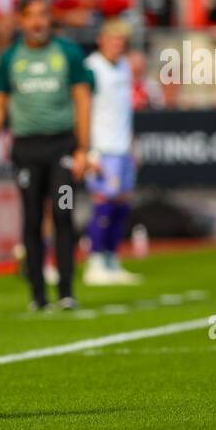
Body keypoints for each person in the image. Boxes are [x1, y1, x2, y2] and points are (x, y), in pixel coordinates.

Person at [0, 0, 92, 310]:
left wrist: (83, 148)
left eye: (43, 14)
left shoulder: (68, 52)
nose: (38, 22)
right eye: (32, 15)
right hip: (26, 147)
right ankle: (37, 294)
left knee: (63, 214)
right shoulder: (10, 58)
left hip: (61, 144)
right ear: (21, 20)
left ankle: (66, 291)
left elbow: (82, 100)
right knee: (32, 219)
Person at [83, 20, 142, 285]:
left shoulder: (125, 67)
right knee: (102, 204)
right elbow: (83, 109)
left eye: (121, 39)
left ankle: (111, 258)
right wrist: (88, 150)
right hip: (102, 147)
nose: (118, 44)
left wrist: (132, 145)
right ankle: (95, 261)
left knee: (122, 205)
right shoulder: (91, 68)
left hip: (122, 147)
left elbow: (125, 111)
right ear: (101, 39)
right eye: (113, 38)